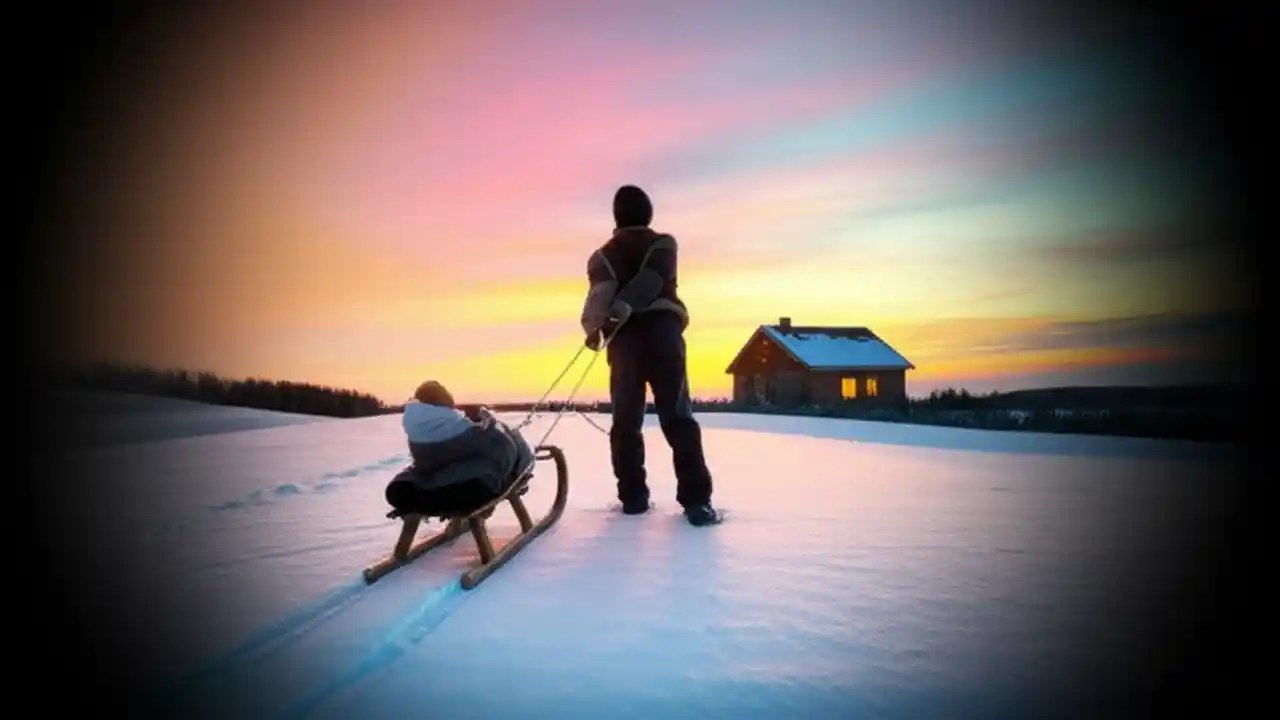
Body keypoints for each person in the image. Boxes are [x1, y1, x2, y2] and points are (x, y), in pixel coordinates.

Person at [580, 185, 721, 526]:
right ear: (649, 213)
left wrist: (595, 328)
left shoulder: (601, 257)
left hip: (624, 340)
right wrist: (603, 324)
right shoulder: (664, 244)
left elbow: (600, 296)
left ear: (617, 217)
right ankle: (697, 502)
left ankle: (633, 498)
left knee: (625, 420)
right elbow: (653, 278)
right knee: (677, 417)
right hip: (664, 335)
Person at [384, 380, 533, 519]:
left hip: (430, 483)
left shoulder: (414, 429)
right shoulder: (467, 430)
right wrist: (490, 421)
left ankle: (420, 498)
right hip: (468, 487)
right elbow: (503, 450)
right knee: (499, 460)